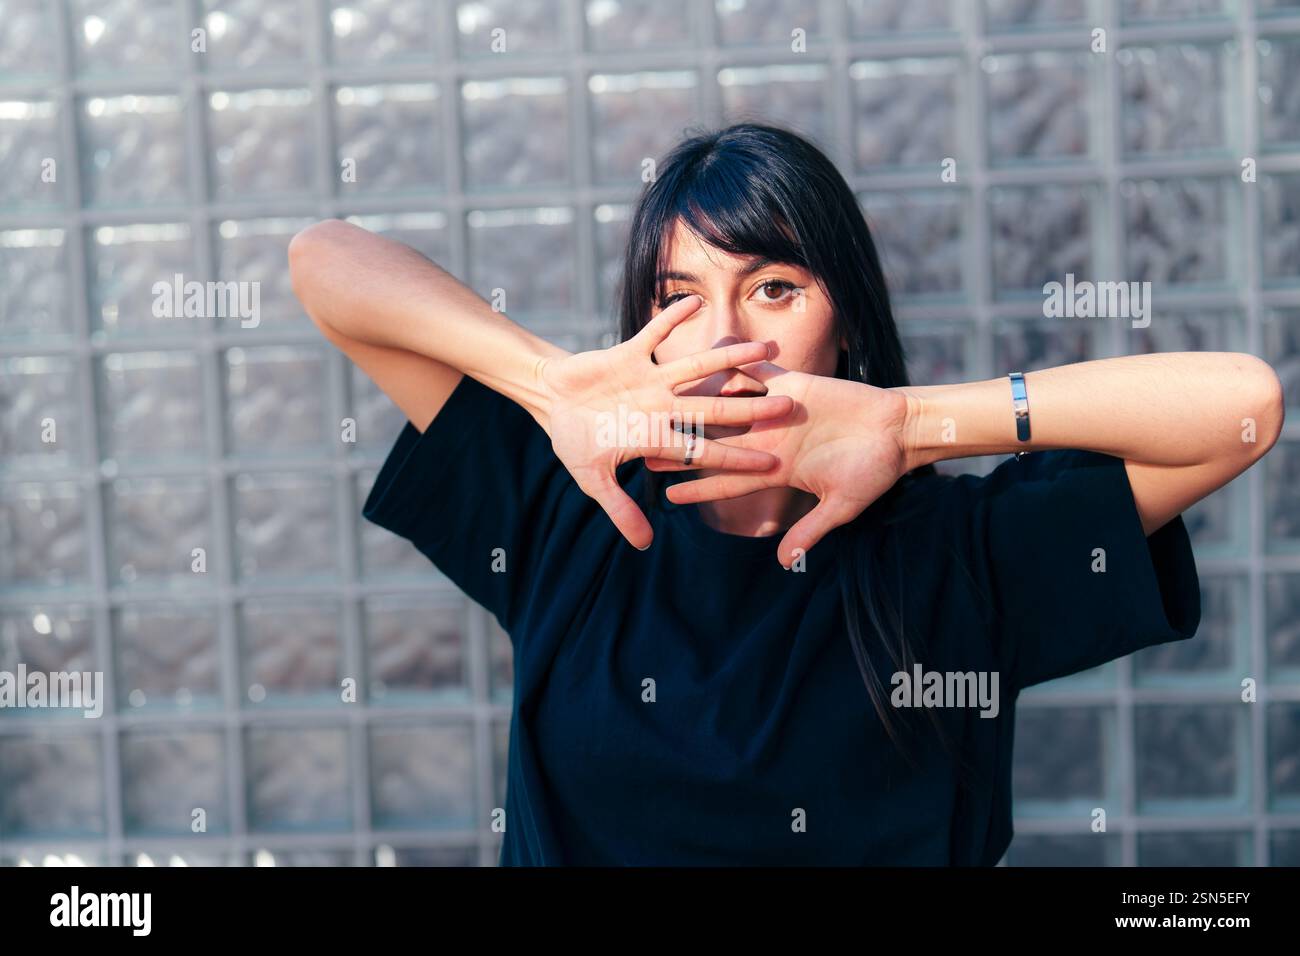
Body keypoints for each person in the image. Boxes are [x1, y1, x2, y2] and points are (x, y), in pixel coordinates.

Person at [288, 122, 1282, 865]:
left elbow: (1242, 405)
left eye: (773, 288)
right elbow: (324, 261)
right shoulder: (568, 505)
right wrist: (547, 382)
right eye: (678, 295)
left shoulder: (956, 552)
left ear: (843, 320)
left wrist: (904, 422)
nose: (721, 337)